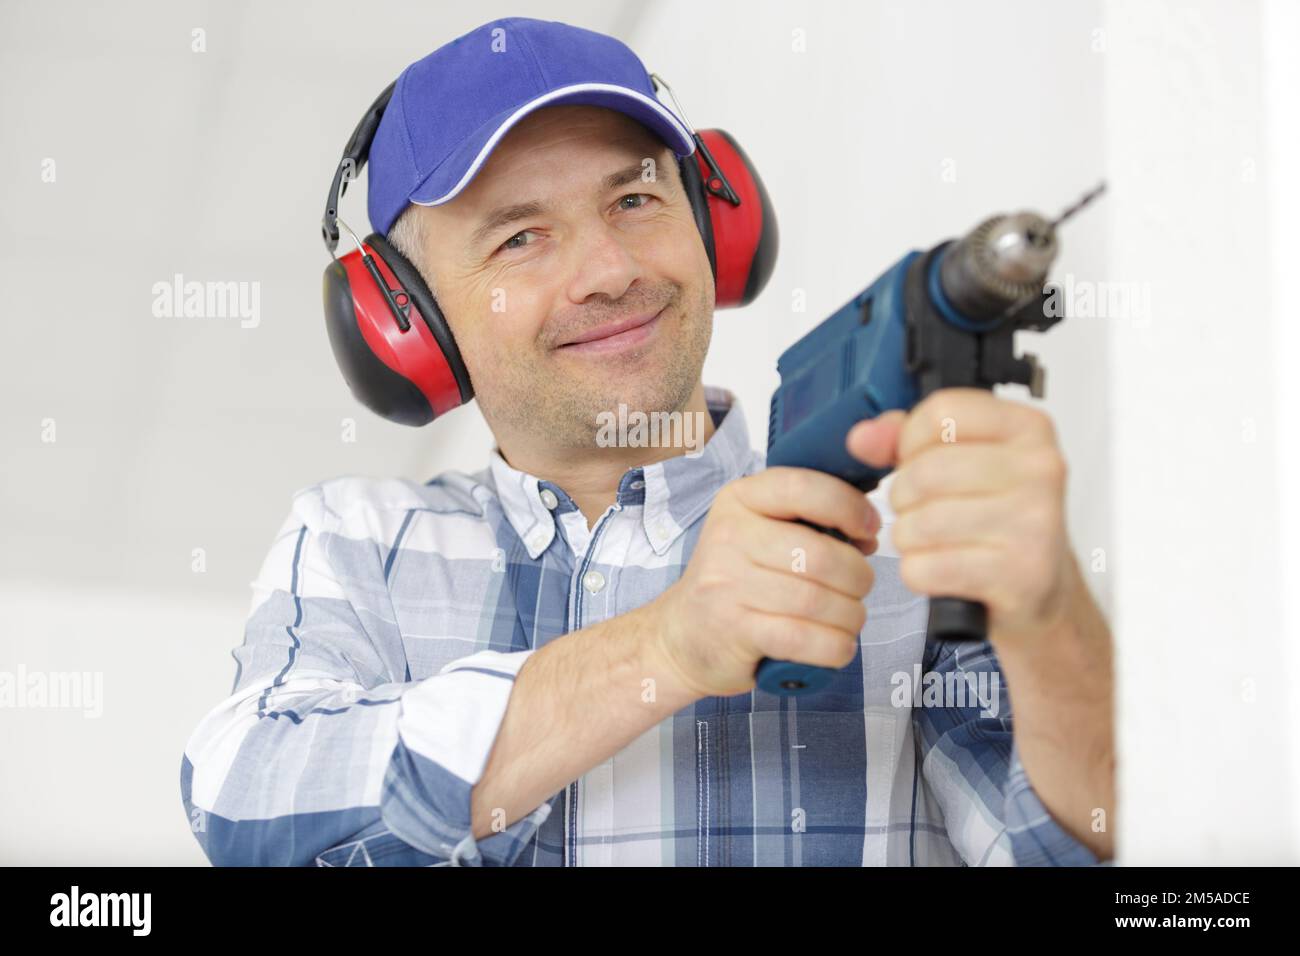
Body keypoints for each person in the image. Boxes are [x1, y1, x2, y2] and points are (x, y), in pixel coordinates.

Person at [180, 16, 1114, 866]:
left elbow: (1104, 861)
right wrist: (663, 650)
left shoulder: (912, 548)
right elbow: (244, 801)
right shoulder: (362, 543)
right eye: (519, 239)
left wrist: (1049, 616)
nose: (611, 270)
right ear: (408, 323)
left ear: (718, 225)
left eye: (633, 199)